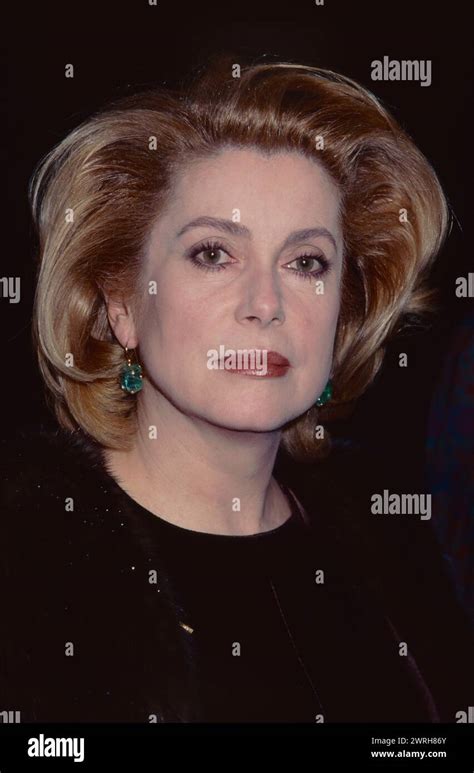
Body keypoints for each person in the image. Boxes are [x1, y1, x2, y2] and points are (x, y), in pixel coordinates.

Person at [1, 56, 472, 724]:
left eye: (307, 262)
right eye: (213, 253)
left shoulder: (392, 549)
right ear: (122, 304)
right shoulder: (28, 575)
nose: (265, 303)